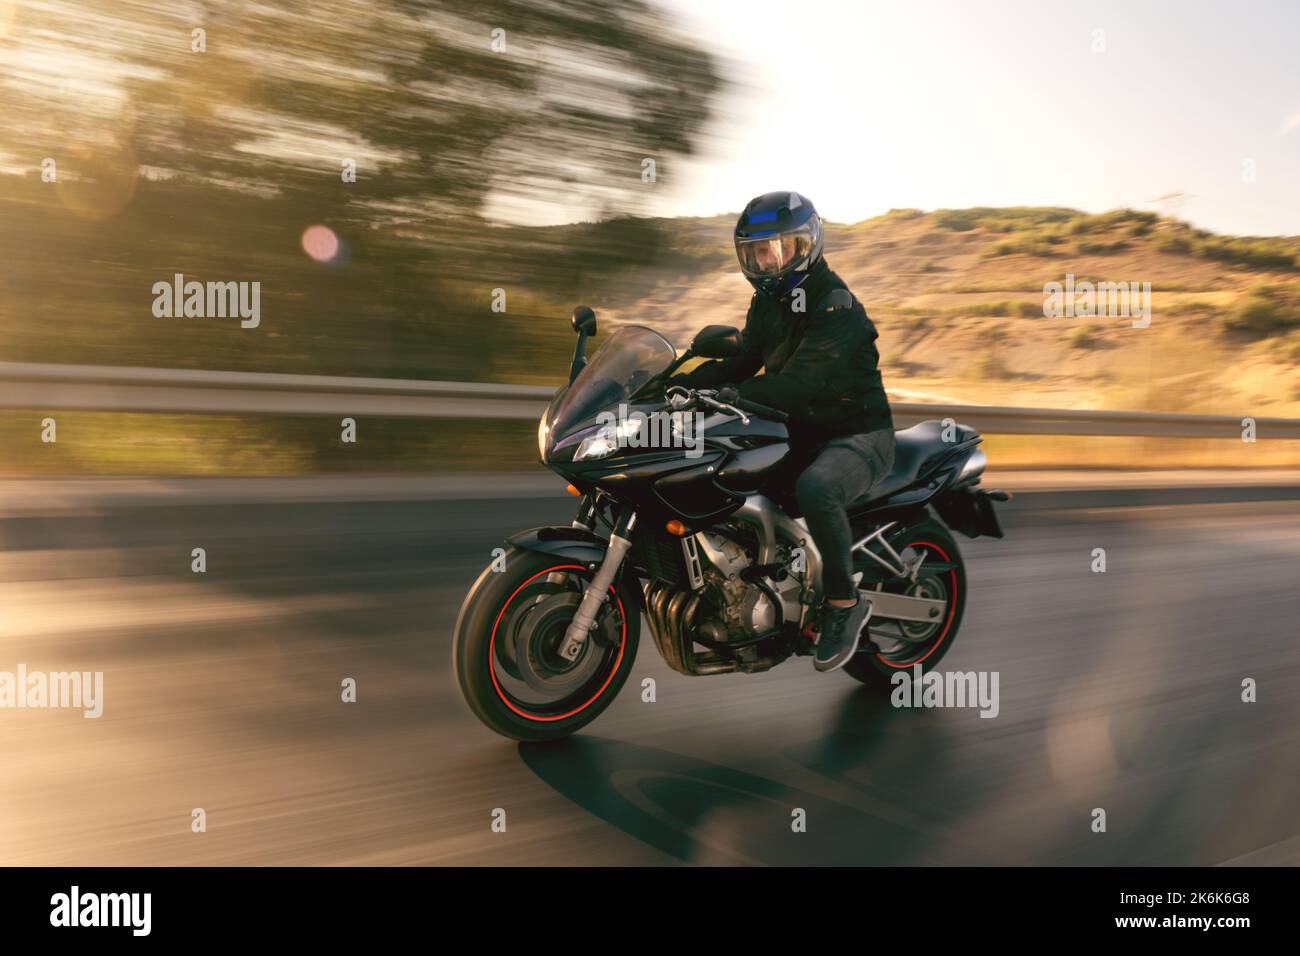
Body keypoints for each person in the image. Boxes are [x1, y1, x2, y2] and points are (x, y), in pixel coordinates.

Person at [670, 191, 896, 672]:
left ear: (806, 245)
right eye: (756, 251)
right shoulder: (766, 302)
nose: (767, 261)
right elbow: (741, 361)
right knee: (724, 470)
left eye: (778, 248)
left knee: (817, 487)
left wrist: (736, 396)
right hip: (800, 432)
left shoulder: (835, 305)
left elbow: (799, 385)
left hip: (856, 436)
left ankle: (843, 604)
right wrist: (676, 383)